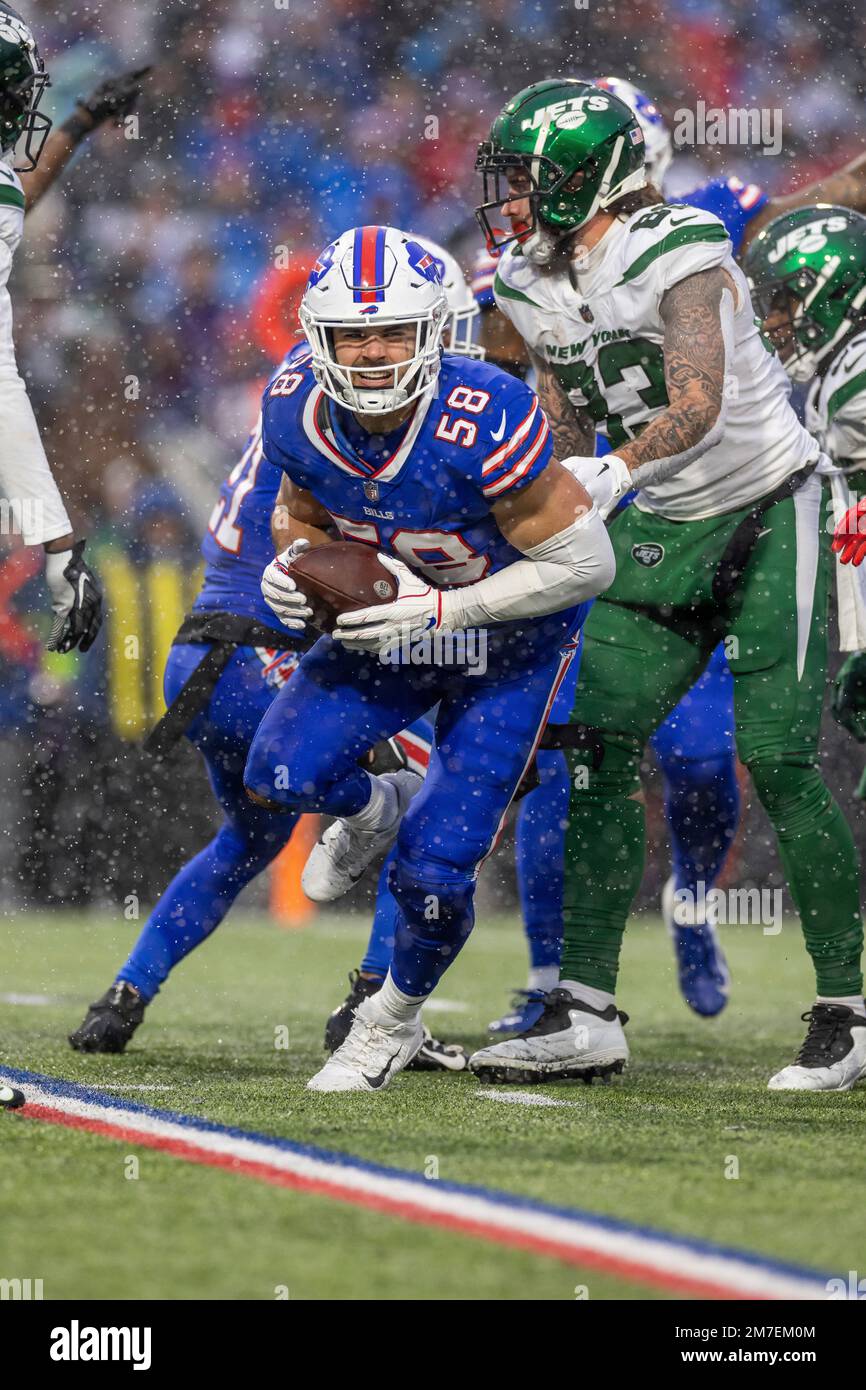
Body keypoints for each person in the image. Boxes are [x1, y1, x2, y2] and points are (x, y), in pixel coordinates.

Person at [467, 78, 864, 1092]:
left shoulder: (677, 242)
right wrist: (543, 503)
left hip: (771, 504)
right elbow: (560, 413)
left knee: (776, 753)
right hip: (659, 527)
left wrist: (610, 472)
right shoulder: (523, 284)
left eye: (530, 179)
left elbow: (694, 402)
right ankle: (585, 1011)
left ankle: (846, 1007)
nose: (510, 199)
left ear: (593, 177)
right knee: (591, 739)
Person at [244, 223, 614, 1093]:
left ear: (435, 333)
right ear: (317, 337)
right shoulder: (293, 403)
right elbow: (301, 514)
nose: (372, 355)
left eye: (393, 334)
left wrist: (445, 609)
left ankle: (389, 1022)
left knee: (437, 874)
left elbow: (585, 563)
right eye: (352, 336)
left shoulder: (483, 411)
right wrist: (288, 569)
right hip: (397, 629)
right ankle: (379, 802)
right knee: (280, 770)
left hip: (512, 645)